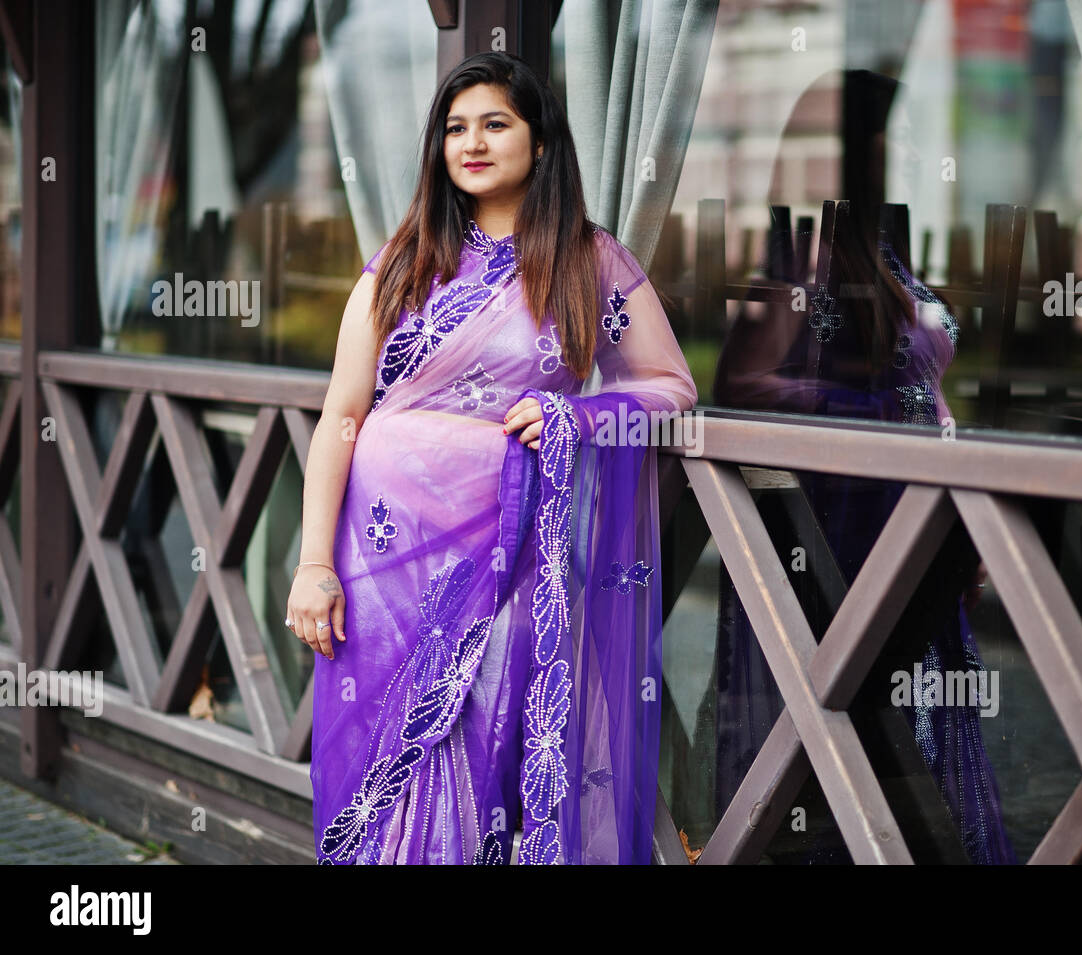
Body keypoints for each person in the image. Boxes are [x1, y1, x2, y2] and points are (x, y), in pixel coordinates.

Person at [286, 51, 697, 865]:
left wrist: (577, 414)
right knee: (375, 758)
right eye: (455, 127)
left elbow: (670, 386)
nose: (471, 142)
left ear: (540, 143)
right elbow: (342, 414)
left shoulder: (588, 260)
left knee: (486, 743)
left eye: (495, 124)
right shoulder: (404, 260)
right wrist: (310, 563)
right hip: (378, 562)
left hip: (505, 554)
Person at [710, 68, 1016, 864]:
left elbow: (926, 381)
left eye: (901, 135)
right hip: (852, 515)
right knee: (854, 707)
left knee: (916, 700)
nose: (896, 152)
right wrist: (870, 417)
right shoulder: (806, 260)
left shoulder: (888, 249)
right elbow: (740, 389)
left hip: (924, 504)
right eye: (880, 138)